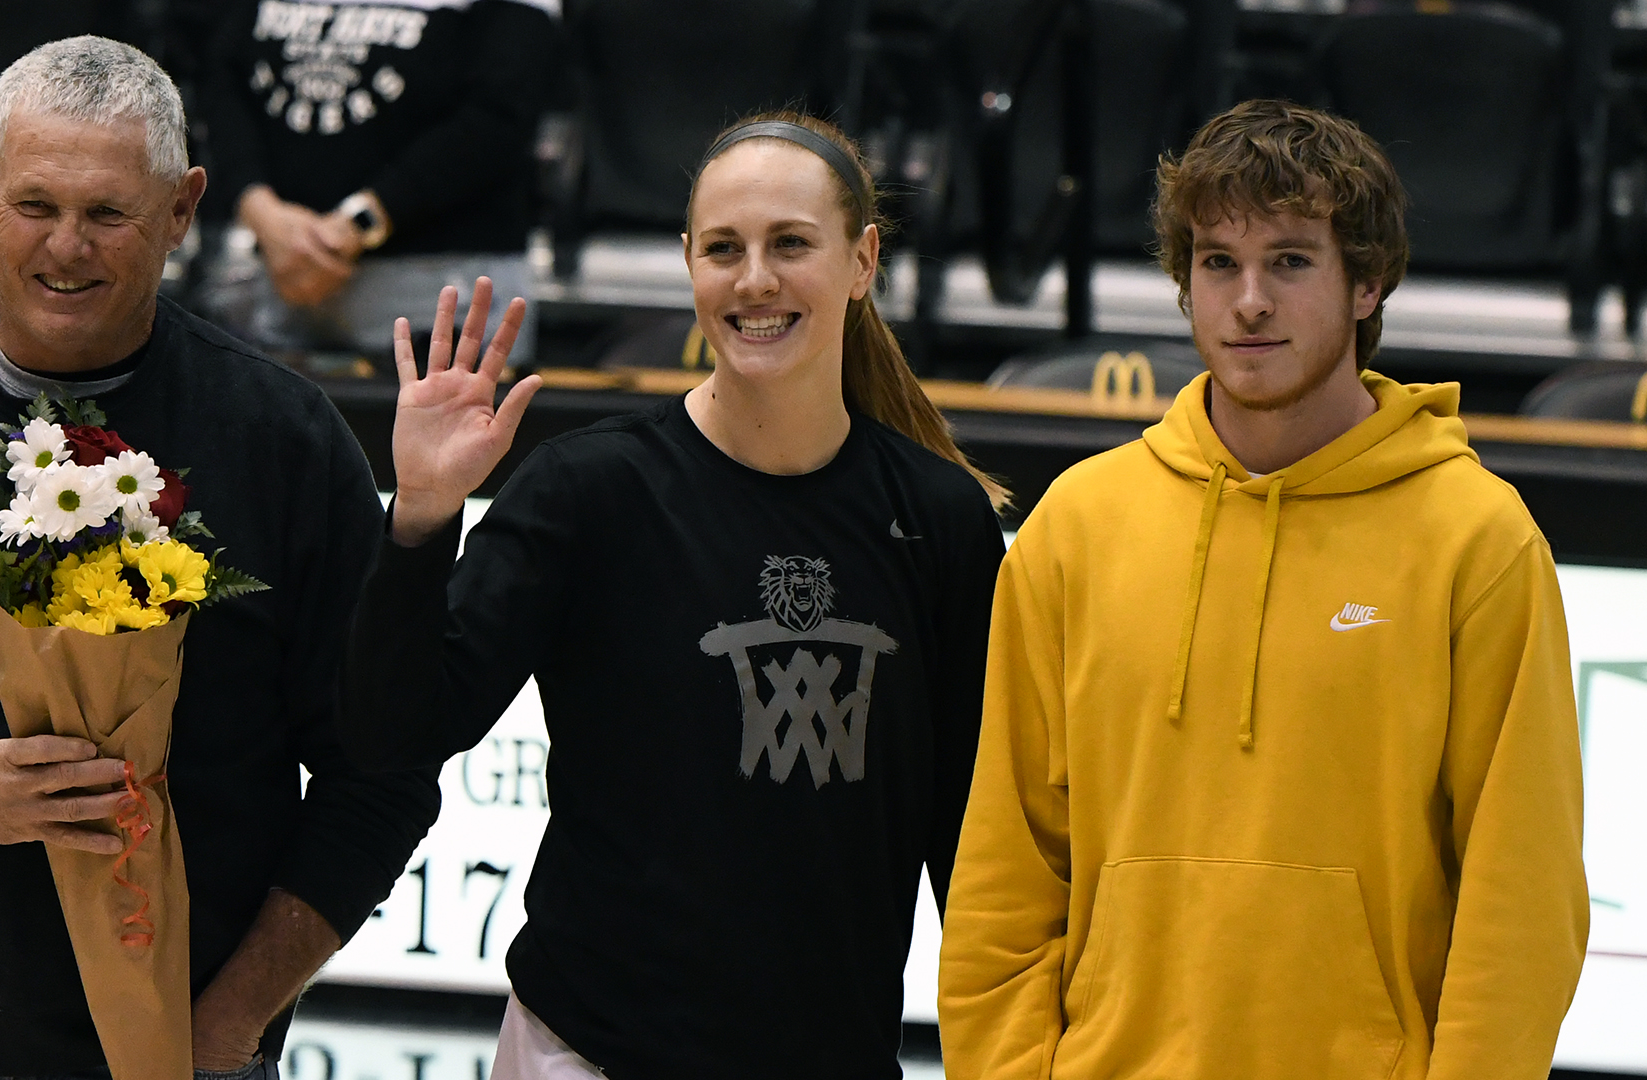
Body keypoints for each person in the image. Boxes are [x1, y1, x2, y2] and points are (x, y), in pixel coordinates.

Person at [0, 36, 439, 1080]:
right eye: (35, 205)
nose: (66, 249)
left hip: (188, 1055)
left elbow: (379, 778)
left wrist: (228, 1024)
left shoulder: (285, 439)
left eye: (109, 213)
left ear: (184, 208)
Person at [340, 112, 1009, 1078]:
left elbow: (968, 833)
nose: (756, 281)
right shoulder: (588, 491)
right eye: (724, 250)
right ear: (687, 262)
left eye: (791, 245)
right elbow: (391, 736)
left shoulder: (939, 517)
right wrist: (420, 524)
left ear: (863, 260)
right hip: (590, 1050)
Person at [938, 99, 1588, 1079]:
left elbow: (1522, 903)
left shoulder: (1477, 542)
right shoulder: (1076, 527)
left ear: (1367, 283)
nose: (1249, 301)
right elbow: (1005, 875)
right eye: (1216, 262)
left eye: (1289, 260)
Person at [194, 0, 558, 365]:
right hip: (282, 275)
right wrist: (259, 208)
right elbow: (222, 79)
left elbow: (501, 113)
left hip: (438, 285)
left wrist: (358, 223)